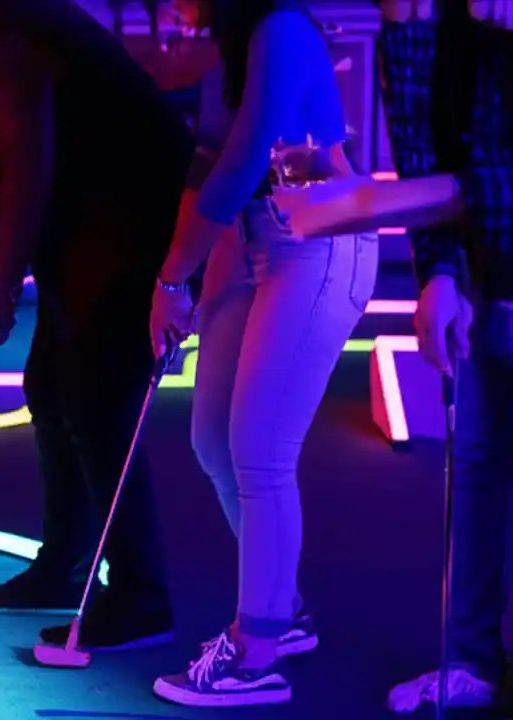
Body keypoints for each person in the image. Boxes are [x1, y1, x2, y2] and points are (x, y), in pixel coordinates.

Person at [0, 0, 195, 647]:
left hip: (139, 230)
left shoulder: (9, 34)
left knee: (96, 398)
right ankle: (64, 566)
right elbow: (15, 182)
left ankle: (143, 597)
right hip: (94, 233)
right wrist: (1, 288)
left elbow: (23, 177)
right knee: (51, 382)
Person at [273, 0, 513, 712]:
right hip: (492, 270)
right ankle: (470, 658)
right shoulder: (415, 35)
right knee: (475, 461)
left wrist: (373, 206)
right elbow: (427, 146)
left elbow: (480, 180)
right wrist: (440, 271)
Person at [144, 0, 375, 707]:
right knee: (212, 439)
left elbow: (246, 160)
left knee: (259, 449)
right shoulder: (233, 42)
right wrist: (175, 278)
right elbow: (207, 164)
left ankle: (256, 650)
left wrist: (174, 275)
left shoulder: (279, 28)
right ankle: (286, 607)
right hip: (252, 243)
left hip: (319, 243)